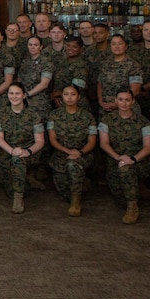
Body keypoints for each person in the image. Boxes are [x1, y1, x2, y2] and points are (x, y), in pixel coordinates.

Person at [99, 89, 150, 224]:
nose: (124, 103)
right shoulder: (107, 120)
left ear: (133, 101)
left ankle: (132, 208)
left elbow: (148, 148)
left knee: (126, 170)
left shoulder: (143, 121)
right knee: (120, 200)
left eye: (127, 100)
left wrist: (133, 159)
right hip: (116, 161)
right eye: (120, 100)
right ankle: (138, 189)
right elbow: (104, 144)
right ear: (116, 101)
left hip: (138, 161)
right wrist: (118, 157)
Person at [0, 83, 46, 214]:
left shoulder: (33, 116)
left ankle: (18, 200)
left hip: (28, 155)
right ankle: (27, 181)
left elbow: (40, 141)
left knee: (17, 161)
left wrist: (27, 151)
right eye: (11, 93)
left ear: (23, 95)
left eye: (17, 93)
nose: (14, 96)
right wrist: (12, 151)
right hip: (7, 154)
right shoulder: (1, 114)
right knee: (9, 189)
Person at [47, 85, 96, 217]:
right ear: (62, 96)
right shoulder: (54, 115)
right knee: (64, 191)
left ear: (78, 97)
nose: (69, 97)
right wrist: (68, 151)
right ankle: (82, 184)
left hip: (82, 155)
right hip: (61, 155)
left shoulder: (87, 116)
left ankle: (76, 203)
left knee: (72, 165)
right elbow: (52, 139)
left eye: (73, 94)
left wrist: (79, 153)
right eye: (66, 94)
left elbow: (91, 142)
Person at [95, 35, 143, 114]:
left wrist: (117, 104)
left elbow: (135, 90)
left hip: (125, 108)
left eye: (120, 43)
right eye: (113, 44)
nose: (116, 46)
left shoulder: (133, 65)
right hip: (106, 108)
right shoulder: (106, 64)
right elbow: (100, 84)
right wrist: (100, 101)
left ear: (126, 46)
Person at [16, 35, 53, 116]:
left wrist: (28, 94)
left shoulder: (46, 62)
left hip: (39, 104)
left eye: (35, 45)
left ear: (41, 47)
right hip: (24, 103)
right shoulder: (25, 62)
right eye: (30, 45)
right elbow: (19, 80)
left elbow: (44, 84)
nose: (32, 47)